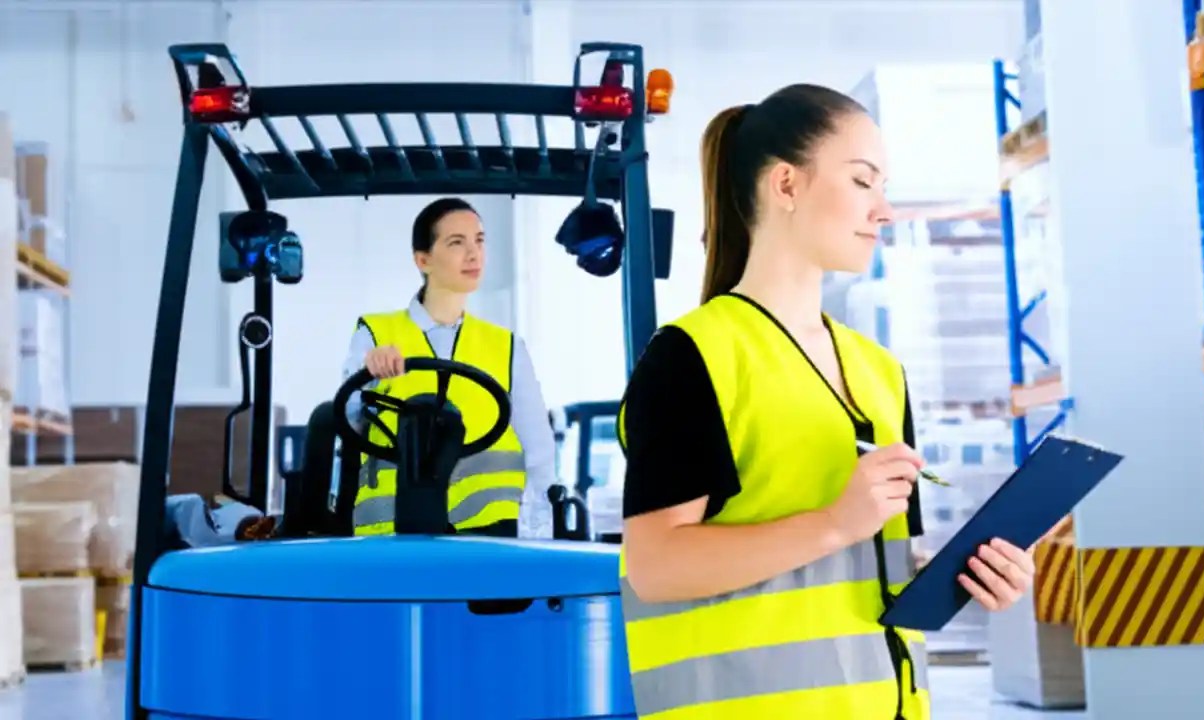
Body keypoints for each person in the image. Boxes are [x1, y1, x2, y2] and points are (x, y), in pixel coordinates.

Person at [615, 85, 1036, 719]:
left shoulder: (879, 371)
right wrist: (834, 523)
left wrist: (970, 575)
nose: (885, 209)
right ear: (786, 185)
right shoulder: (693, 355)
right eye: (864, 181)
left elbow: (871, 564)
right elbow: (653, 566)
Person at [341, 197, 556, 539]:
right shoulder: (376, 335)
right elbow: (347, 422)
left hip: (488, 534)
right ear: (423, 259)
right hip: (392, 532)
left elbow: (539, 451)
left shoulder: (506, 346)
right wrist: (368, 376)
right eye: (457, 243)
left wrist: (540, 536)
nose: (474, 254)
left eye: (479, 241)